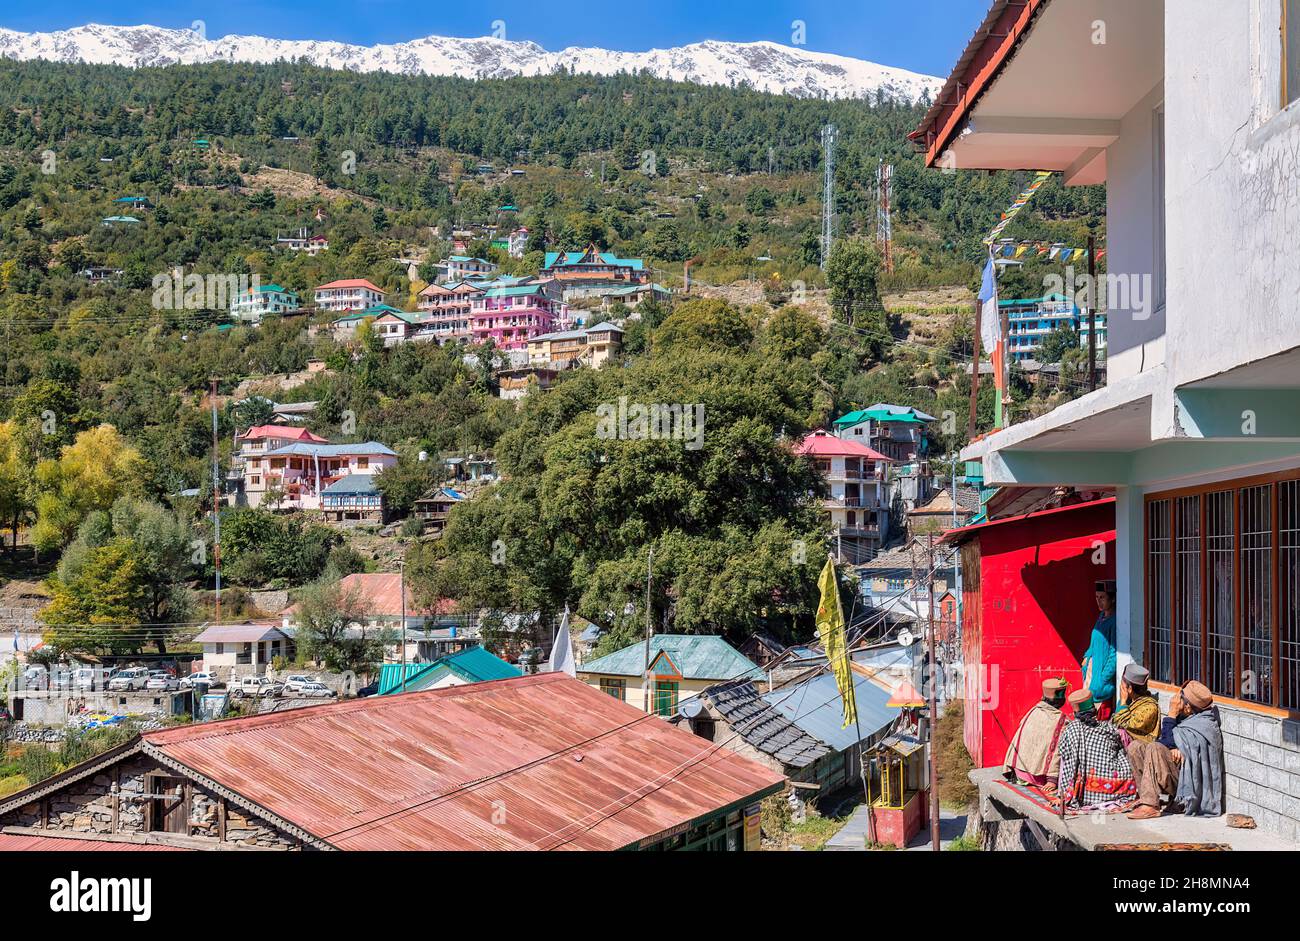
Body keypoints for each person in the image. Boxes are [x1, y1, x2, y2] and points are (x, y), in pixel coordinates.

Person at [1115, 663, 1179, 820]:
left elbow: (1123, 722)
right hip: (1147, 759)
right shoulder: (1135, 703)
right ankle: (1144, 797)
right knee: (1135, 747)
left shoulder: (1148, 707)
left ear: (1130, 689)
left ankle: (1150, 805)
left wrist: (1122, 701)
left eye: (1124, 685)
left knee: (1151, 747)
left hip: (1161, 765)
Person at [1057, 688, 1136, 808]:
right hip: (1116, 786)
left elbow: (1064, 754)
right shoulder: (1109, 728)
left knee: (1067, 754)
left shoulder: (1071, 730)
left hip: (1086, 793)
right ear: (1094, 710)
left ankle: (1063, 791)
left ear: (1076, 713)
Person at [1002, 677, 1069, 798]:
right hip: (1037, 777)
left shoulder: (1033, 711)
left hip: (1018, 772)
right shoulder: (1060, 720)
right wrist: (1052, 780)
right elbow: (1057, 751)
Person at [1171, 680, 1224, 817]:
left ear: (1188, 707)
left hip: (1189, 780)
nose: (1176, 700)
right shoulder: (1191, 720)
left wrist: (1171, 714)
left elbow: (1166, 740)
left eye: (1180, 697)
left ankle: (1151, 804)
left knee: (1155, 749)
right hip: (1180, 770)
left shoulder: (1200, 726)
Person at [1081, 580, 1118, 717]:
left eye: (1102, 597)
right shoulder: (1101, 616)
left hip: (1100, 683)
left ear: (1112, 599)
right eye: (1097, 597)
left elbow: (1114, 654)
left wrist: (1103, 679)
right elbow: (1094, 642)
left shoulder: (1114, 621)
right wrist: (1087, 656)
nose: (1098, 601)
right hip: (1091, 675)